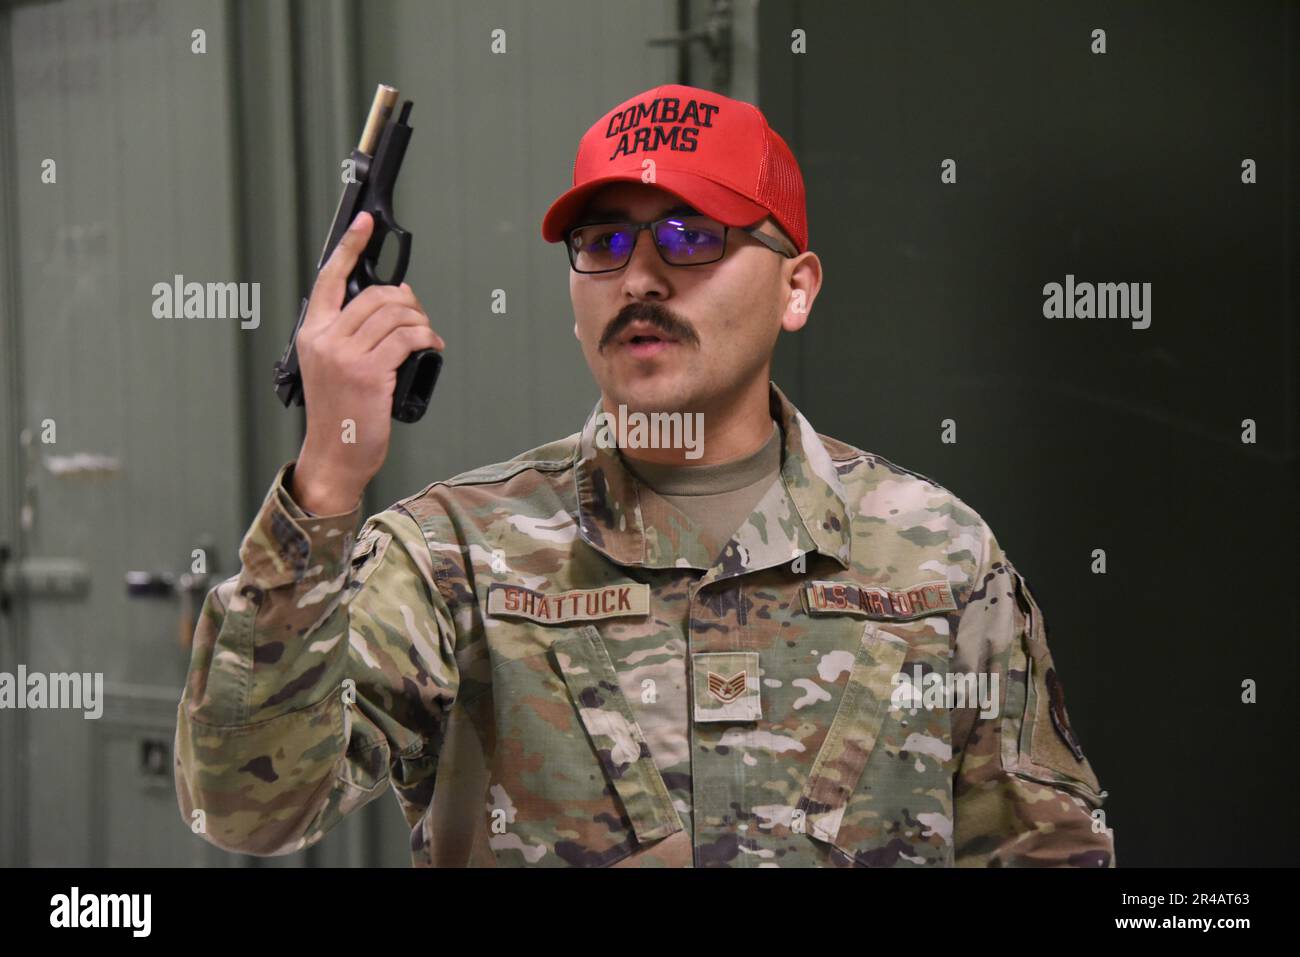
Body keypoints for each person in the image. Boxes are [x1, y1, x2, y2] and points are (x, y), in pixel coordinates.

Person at [174, 83, 1115, 867]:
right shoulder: (452, 556)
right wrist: (328, 481)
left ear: (797, 287)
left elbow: (1045, 853)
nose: (641, 279)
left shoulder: (938, 556)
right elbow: (249, 806)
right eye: (605, 242)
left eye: (693, 234)